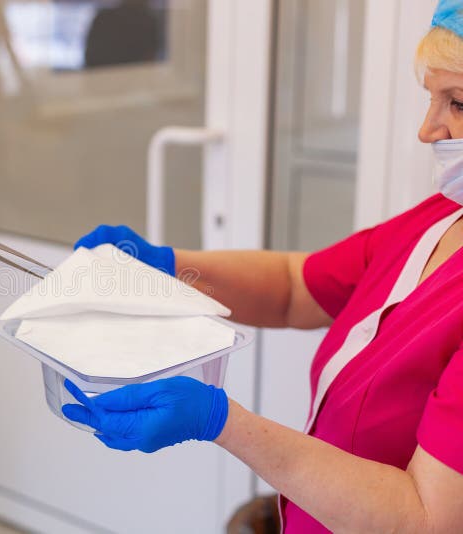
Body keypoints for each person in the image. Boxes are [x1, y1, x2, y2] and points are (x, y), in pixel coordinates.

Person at [64, 1, 463, 531]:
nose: (428, 130)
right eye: (431, 100)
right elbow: (295, 287)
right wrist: (164, 267)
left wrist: (221, 422)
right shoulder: (440, 220)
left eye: (457, 103)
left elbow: (425, 518)